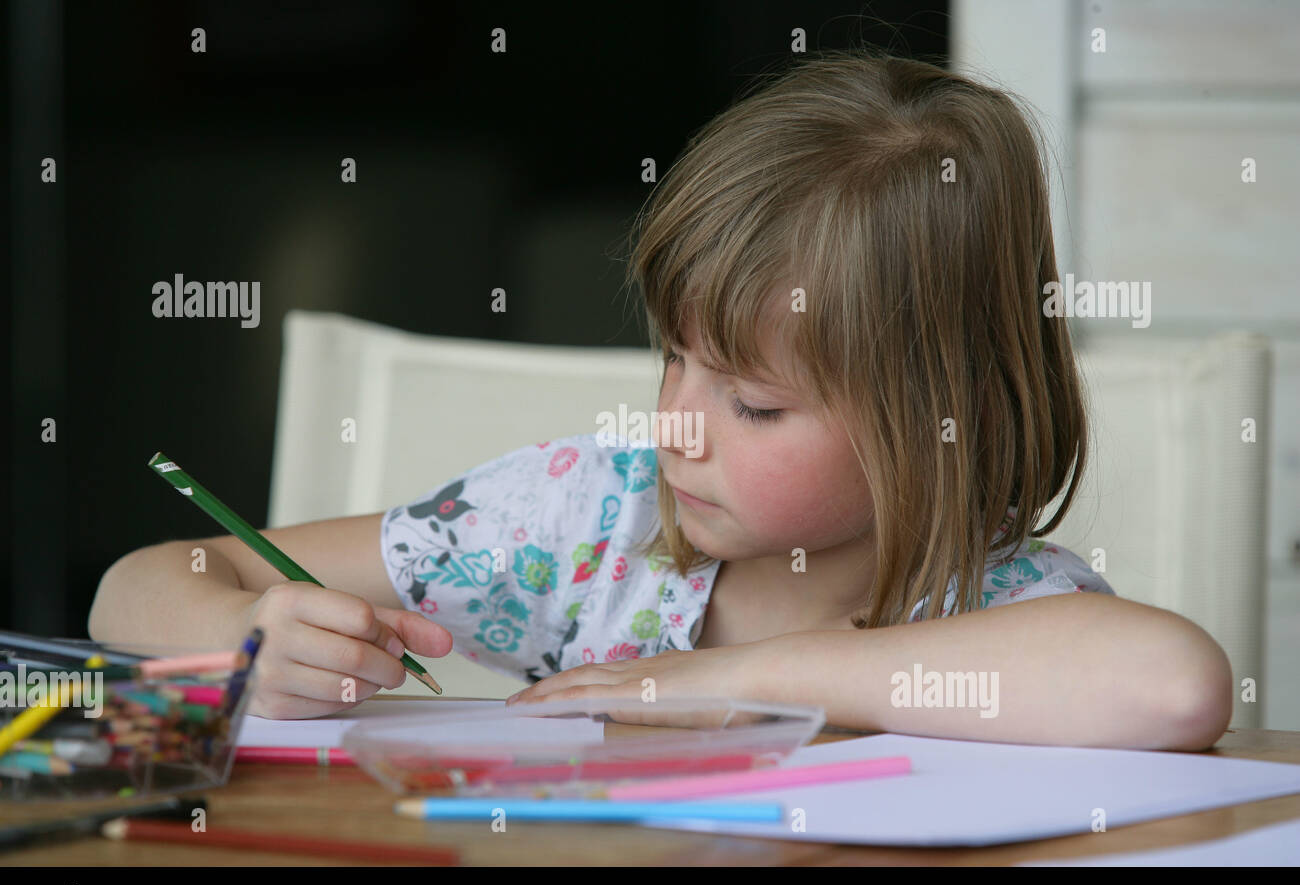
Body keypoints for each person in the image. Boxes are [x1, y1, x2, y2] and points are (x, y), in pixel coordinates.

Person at [88, 51, 1232, 750]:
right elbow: (139, 585)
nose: (676, 423)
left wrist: (727, 680)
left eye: (755, 404)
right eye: (674, 359)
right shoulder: (584, 530)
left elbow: (1173, 683)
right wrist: (240, 636)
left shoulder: (992, 603)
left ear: (950, 413)